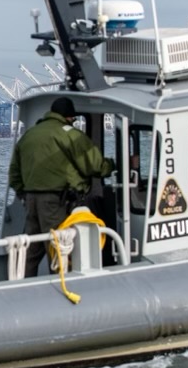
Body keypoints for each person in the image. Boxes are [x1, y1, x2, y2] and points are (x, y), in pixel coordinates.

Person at [8, 96, 115, 272]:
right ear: (69, 117)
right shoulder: (70, 135)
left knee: (31, 250)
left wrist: (25, 195)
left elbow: (14, 175)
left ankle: (22, 287)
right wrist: (113, 165)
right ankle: (61, 289)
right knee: (59, 248)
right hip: (57, 201)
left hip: (31, 201)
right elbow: (95, 166)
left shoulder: (29, 135)